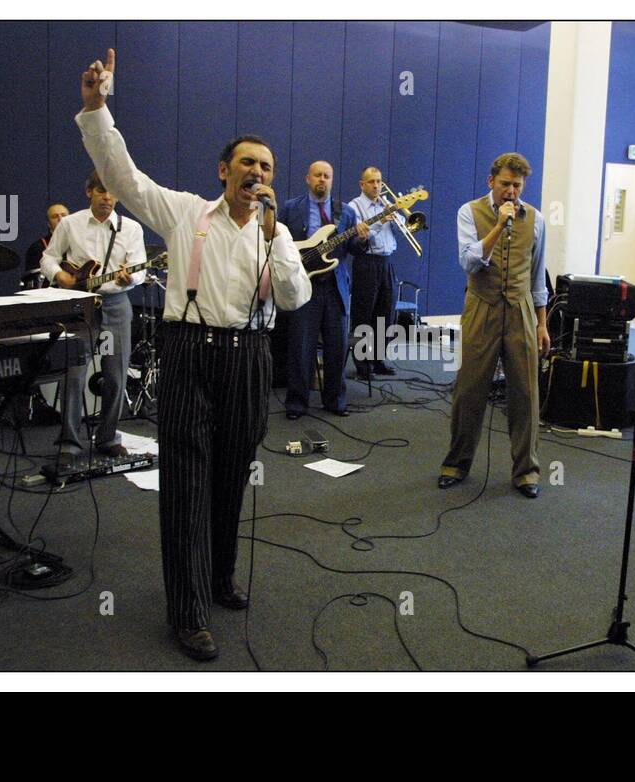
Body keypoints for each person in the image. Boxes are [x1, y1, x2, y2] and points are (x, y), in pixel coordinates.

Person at [76, 49, 311, 661]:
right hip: (189, 351)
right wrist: (99, 109)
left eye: (265, 166)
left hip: (250, 356)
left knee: (233, 472)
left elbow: (293, 297)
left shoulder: (275, 232)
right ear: (223, 172)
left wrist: (275, 237)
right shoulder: (184, 212)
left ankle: (219, 575)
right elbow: (124, 177)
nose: (257, 173)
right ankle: (186, 611)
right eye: (246, 164)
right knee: (185, 479)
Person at [438, 152, 550, 499]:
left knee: (526, 394)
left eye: (517, 186)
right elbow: (469, 260)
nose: (510, 192)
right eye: (505, 184)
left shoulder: (537, 220)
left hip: (521, 310)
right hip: (481, 307)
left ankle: (526, 471)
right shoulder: (468, 212)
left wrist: (542, 324)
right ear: (491, 182)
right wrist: (500, 225)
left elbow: (537, 278)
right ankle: (456, 463)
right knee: (469, 389)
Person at [39, 171, 146, 465]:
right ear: (90, 192)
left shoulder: (131, 229)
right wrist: (59, 274)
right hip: (80, 306)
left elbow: (140, 269)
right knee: (73, 374)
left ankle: (108, 436)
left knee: (115, 375)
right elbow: (48, 258)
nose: (108, 198)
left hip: (115, 304)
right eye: (102, 191)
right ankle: (69, 441)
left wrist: (131, 278)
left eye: (113, 193)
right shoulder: (70, 224)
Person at [277, 160, 357, 418]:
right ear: (308, 179)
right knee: (301, 347)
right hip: (304, 284)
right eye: (318, 175)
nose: (322, 179)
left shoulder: (345, 212)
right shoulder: (290, 208)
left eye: (327, 176)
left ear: (332, 180)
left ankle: (335, 401)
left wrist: (362, 240)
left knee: (337, 346)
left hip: (335, 287)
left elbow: (352, 248)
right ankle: (297, 403)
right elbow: (277, 242)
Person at [346, 167, 401, 380]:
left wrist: (398, 221)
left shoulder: (386, 204)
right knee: (364, 314)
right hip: (366, 262)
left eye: (379, 182)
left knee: (385, 313)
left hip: (386, 262)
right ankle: (362, 364)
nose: (376, 186)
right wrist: (381, 221)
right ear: (362, 184)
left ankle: (377, 360)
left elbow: (401, 229)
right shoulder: (354, 207)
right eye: (371, 182)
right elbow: (362, 235)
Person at [24, 202, 70, 275]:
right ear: (49, 224)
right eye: (55, 216)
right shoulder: (37, 248)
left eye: (63, 215)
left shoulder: (81, 241)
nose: (60, 219)